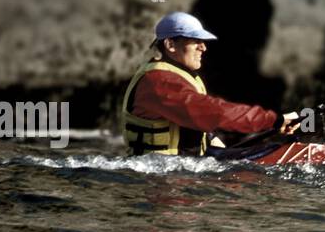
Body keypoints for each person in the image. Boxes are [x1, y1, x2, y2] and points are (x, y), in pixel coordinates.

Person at [119, 12, 299, 156]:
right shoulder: (159, 81)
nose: (203, 48)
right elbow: (213, 112)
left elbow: (193, 119)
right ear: (170, 44)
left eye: (203, 42)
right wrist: (273, 120)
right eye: (196, 41)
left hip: (181, 170)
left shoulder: (176, 75)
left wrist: (212, 141)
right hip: (159, 181)